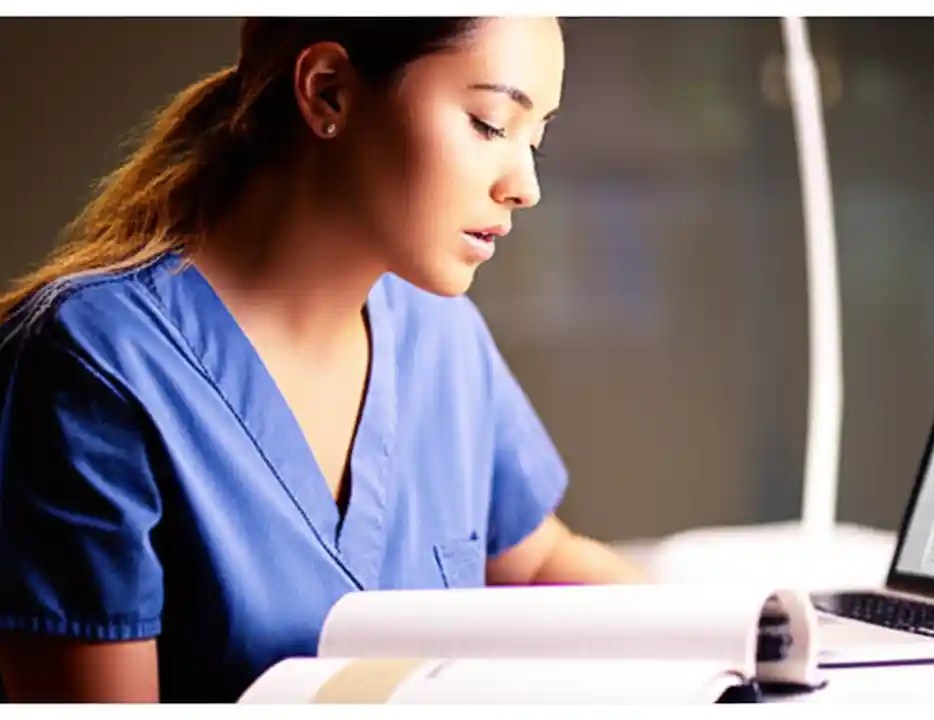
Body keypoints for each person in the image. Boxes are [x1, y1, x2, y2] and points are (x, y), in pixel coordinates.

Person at [0, 17, 648, 703]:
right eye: (491, 124)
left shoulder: (439, 335)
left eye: (535, 141)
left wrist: (741, 641)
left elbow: (534, 561)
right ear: (329, 92)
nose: (525, 186)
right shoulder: (93, 365)